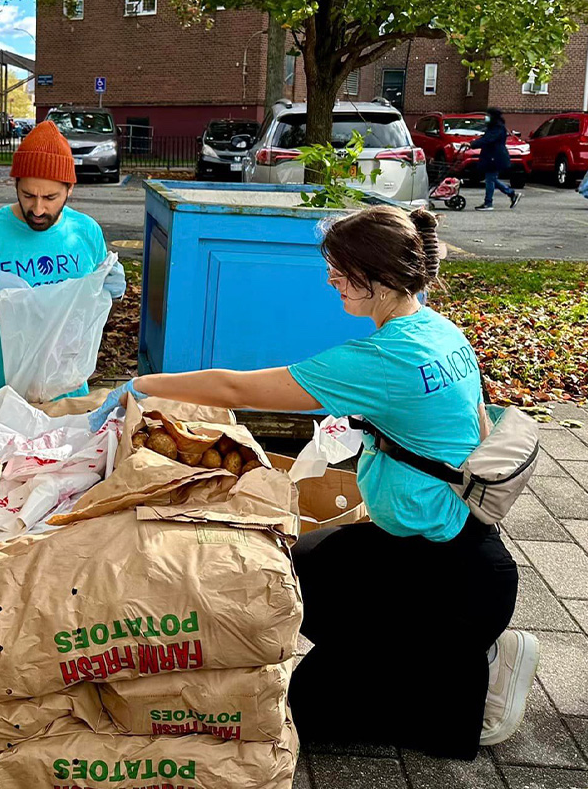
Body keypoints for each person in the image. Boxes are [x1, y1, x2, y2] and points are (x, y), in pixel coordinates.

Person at [88, 206, 536, 759]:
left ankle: (477, 664)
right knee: (300, 571)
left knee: (313, 715)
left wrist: (144, 384)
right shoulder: (434, 329)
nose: (331, 281)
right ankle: (432, 655)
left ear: (378, 278)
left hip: (449, 582)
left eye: (341, 272)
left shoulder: (386, 358)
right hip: (447, 545)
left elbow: (236, 388)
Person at [0, 119, 125, 400]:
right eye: (28, 195)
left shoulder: (86, 232)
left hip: (71, 402)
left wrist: (110, 292)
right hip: (2, 404)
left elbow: (87, 317)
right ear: (15, 184)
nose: (38, 209)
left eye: (50, 197)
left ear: (70, 189)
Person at [470, 108, 521, 211]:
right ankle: (510, 194)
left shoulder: (497, 128)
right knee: (491, 179)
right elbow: (485, 138)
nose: (486, 117)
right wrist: (472, 143)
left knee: (490, 179)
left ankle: (489, 202)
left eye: (488, 115)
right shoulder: (494, 127)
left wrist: (472, 144)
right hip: (492, 156)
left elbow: (488, 139)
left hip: (495, 157)